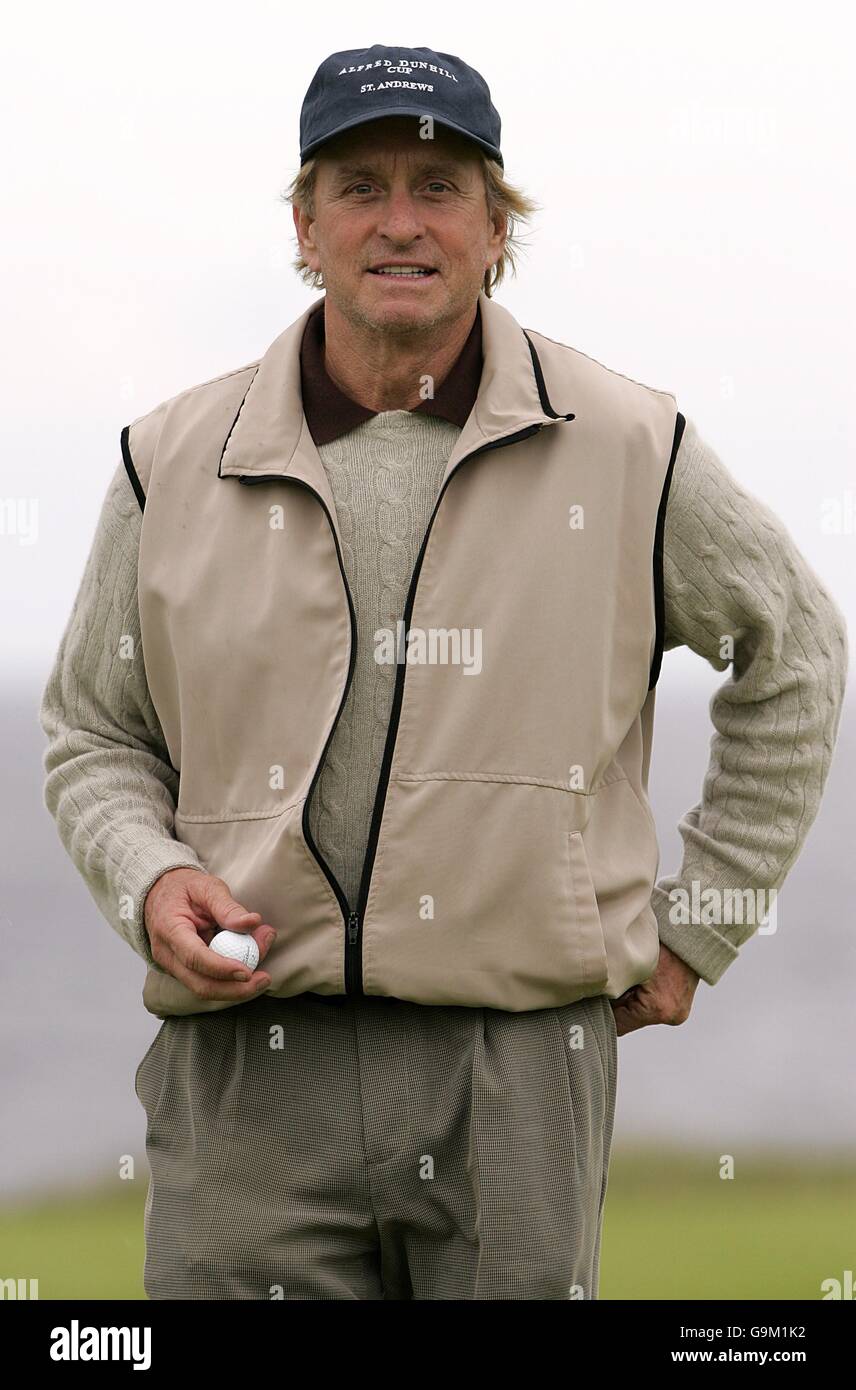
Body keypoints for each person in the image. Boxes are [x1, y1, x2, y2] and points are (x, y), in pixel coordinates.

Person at [40, 44, 847, 1300]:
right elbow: (94, 730)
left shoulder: (632, 444)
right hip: (246, 1077)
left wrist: (704, 925)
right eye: (359, 186)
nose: (399, 221)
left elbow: (794, 653)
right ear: (304, 225)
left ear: (495, 227)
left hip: (517, 1078)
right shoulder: (168, 458)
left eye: (440, 186)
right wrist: (150, 878)